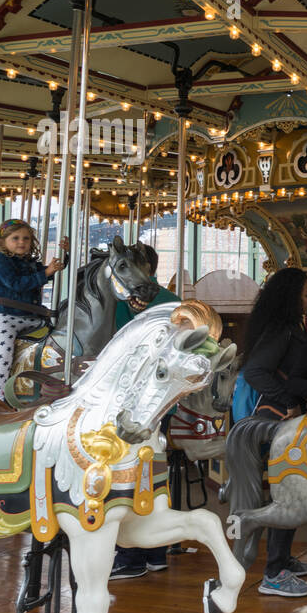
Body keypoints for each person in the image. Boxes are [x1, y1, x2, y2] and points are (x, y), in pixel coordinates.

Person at [227, 267, 307, 597]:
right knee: (290, 488)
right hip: (275, 419)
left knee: (294, 484)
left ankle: (281, 558)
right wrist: (289, 399)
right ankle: (274, 572)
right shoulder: (282, 330)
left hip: (285, 416)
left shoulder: (292, 326)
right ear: (291, 296)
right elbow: (255, 371)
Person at [110, 243, 184, 580]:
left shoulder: (125, 302)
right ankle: (156, 549)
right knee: (153, 470)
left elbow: (115, 346)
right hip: (161, 396)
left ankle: (130, 554)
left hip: (134, 396)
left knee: (127, 472)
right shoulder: (171, 299)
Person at [0, 220, 65, 402]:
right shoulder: (0, 261)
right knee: (4, 352)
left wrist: (64, 254)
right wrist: (45, 273)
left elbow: (50, 272)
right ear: (1, 242)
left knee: (56, 339)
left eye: (26, 238)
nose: (21, 242)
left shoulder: (30, 262)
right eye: (15, 238)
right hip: (3, 317)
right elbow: (16, 285)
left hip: (30, 317)